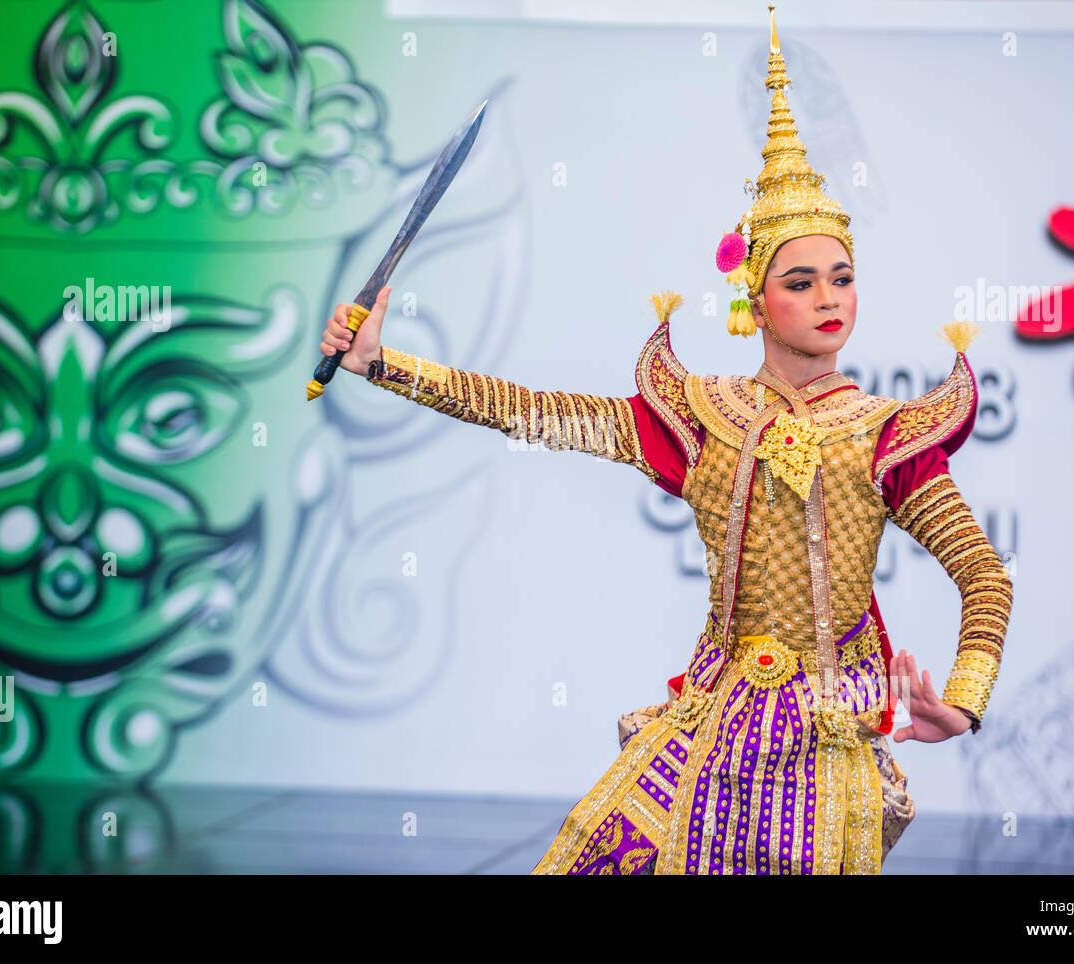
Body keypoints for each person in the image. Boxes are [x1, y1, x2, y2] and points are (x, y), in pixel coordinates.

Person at [318, 7, 1012, 875]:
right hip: (712, 725)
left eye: (843, 277)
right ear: (756, 303)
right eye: (802, 282)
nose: (830, 297)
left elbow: (982, 575)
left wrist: (964, 701)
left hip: (829, 735)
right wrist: (387, 366)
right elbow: (537, 412)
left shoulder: (883, 436)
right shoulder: (701, 414)